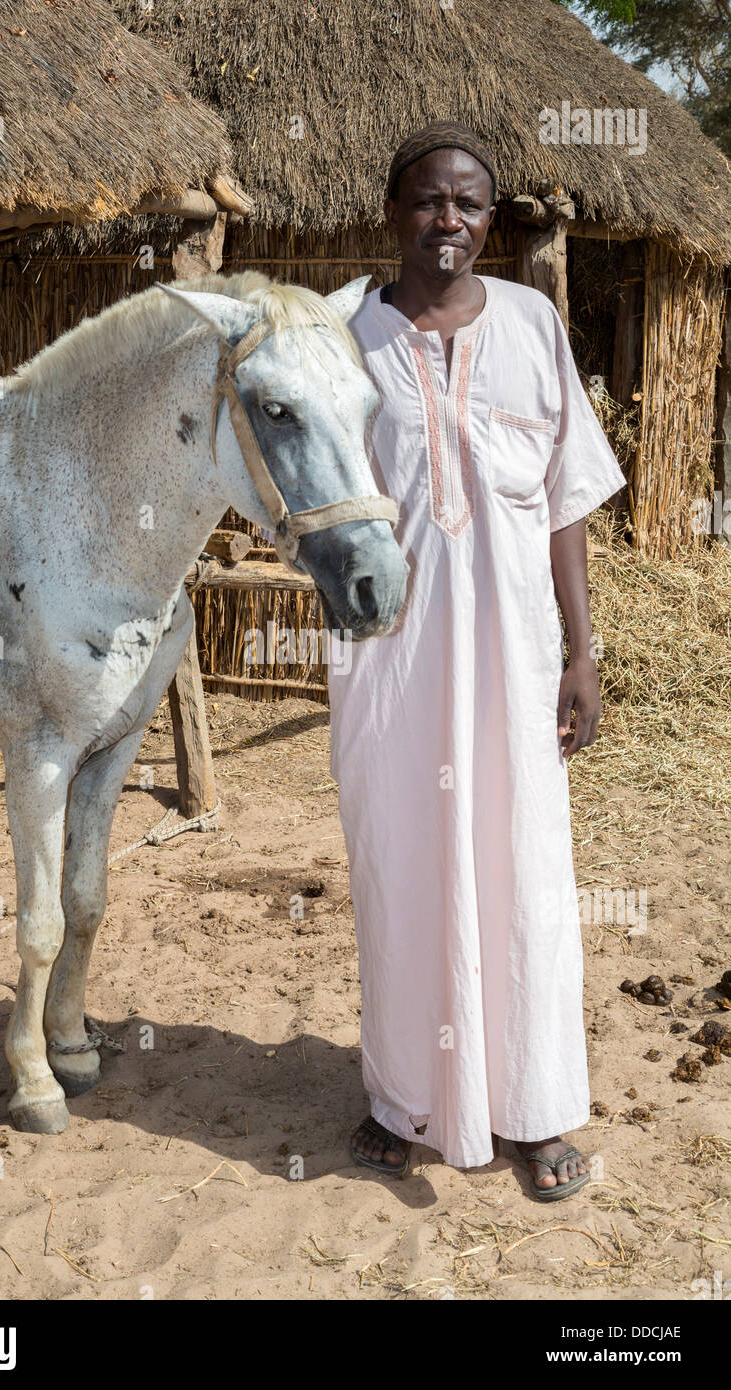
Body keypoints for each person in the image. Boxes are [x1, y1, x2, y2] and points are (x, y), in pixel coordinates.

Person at [327, 121, 626, 1200]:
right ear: (392, 212)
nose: (445, 218)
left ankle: (533, 1108)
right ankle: (405, 1098)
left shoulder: (533, 325)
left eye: (466, 202)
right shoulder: (349, 339)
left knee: (520, 866)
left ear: (488, 221)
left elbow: (561, 502)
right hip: (390, 664)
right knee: (398, 865)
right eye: (425, 199)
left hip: (512, 654)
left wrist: (578, 653)